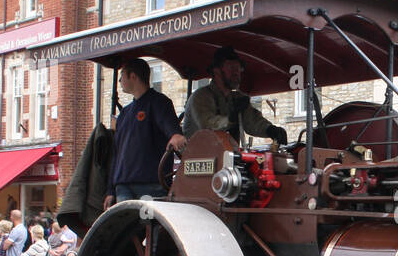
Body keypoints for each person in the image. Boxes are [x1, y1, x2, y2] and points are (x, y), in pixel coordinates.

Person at [104, 58, 187, 208]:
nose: (120, 80)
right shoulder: (124, 114)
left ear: (133, 76)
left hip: (150, 184)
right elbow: (116, 153)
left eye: (122, 75)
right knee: (127, 230)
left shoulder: (158, 103)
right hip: (123, 186)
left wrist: (175, 135)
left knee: (148, 228)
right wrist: (111, 190)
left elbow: (172, 130)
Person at [181, 47, 288, 144]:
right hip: (197, 159)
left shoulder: (238, 98)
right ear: (216, 71)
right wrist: (231, 119)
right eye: (231, 67)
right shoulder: (200, 97)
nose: (236, 72)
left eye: (238, 68)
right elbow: (207, 125)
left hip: (227, 157)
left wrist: (270, 130)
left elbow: (252, 123)